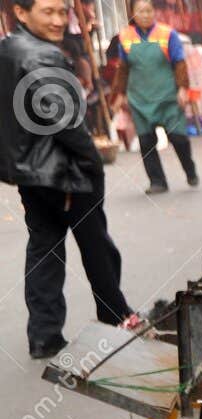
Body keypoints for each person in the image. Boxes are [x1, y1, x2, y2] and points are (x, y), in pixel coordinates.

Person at [1, 0, 138, 360]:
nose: (59, 20)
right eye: (48, 12)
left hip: (32, 174)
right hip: (64, 173)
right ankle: (116, 316)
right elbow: (63, 121)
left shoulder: (8, 50)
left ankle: (44, 336)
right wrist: (91, 160)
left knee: (44, 250)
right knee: (98, 248)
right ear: (21, 12)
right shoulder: (41, 56)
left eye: (62, 12)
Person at [108, 0, 198, 193]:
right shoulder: (125, 37)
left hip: (167, 97)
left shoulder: (167, 34)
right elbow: (123, 69)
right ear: (133, 14)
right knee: (146, 142)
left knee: (179, 137)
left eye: (148, 11)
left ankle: (190, 171)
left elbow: (179, 63)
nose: (145, 15)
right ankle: (157, 181)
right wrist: (119, 95)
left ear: (154, 12)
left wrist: (183, 88)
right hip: (139, 99)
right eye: (140, 11)